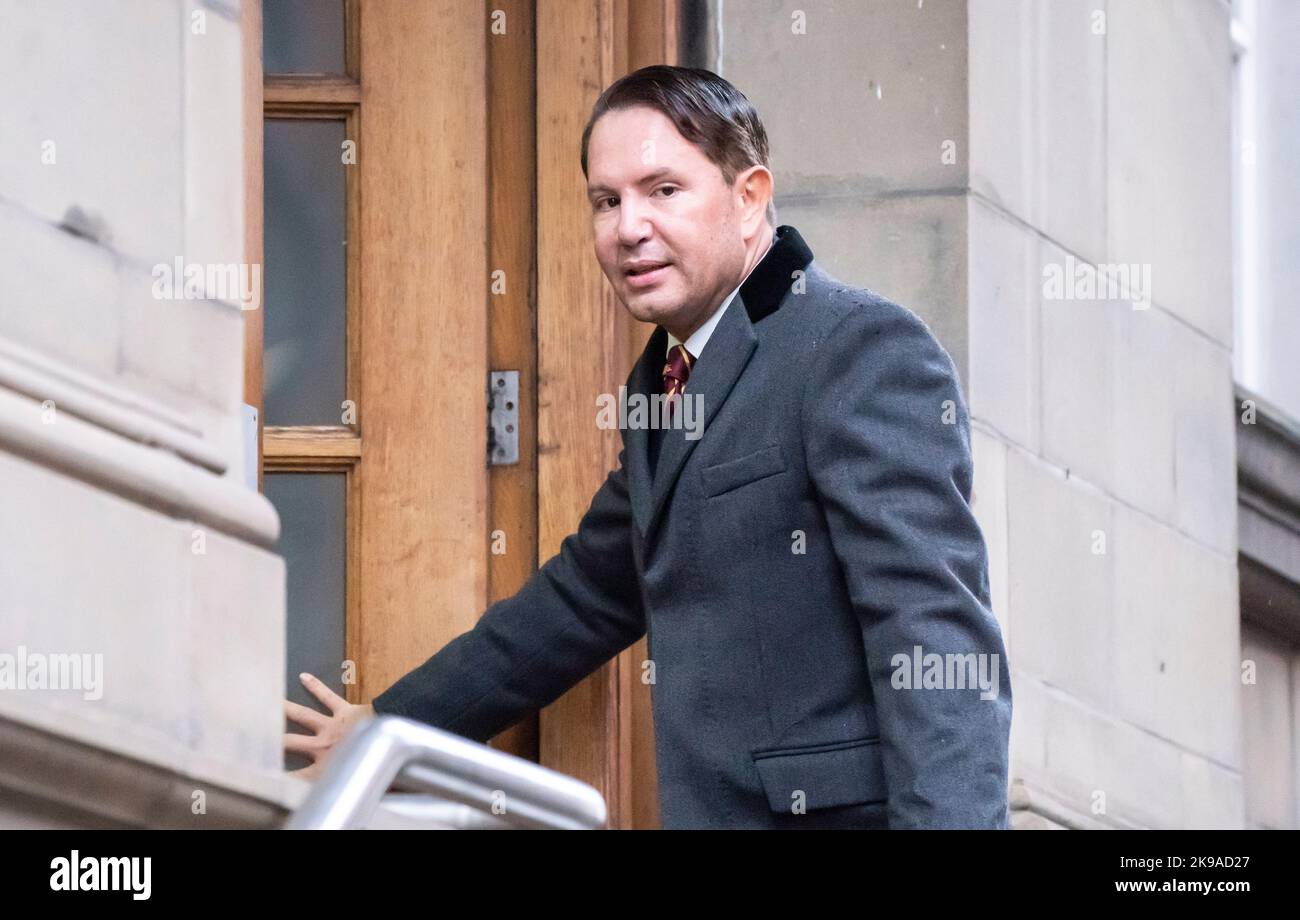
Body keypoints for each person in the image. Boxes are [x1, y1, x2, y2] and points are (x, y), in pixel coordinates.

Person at [285, 65, 1012, 829]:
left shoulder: (859, 350)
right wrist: (391, 731)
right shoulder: (665, 383)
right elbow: (585, 595)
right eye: (607, 201)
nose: (628, 226)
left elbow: (936, 641)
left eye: (663, 190)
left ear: (749, 197)